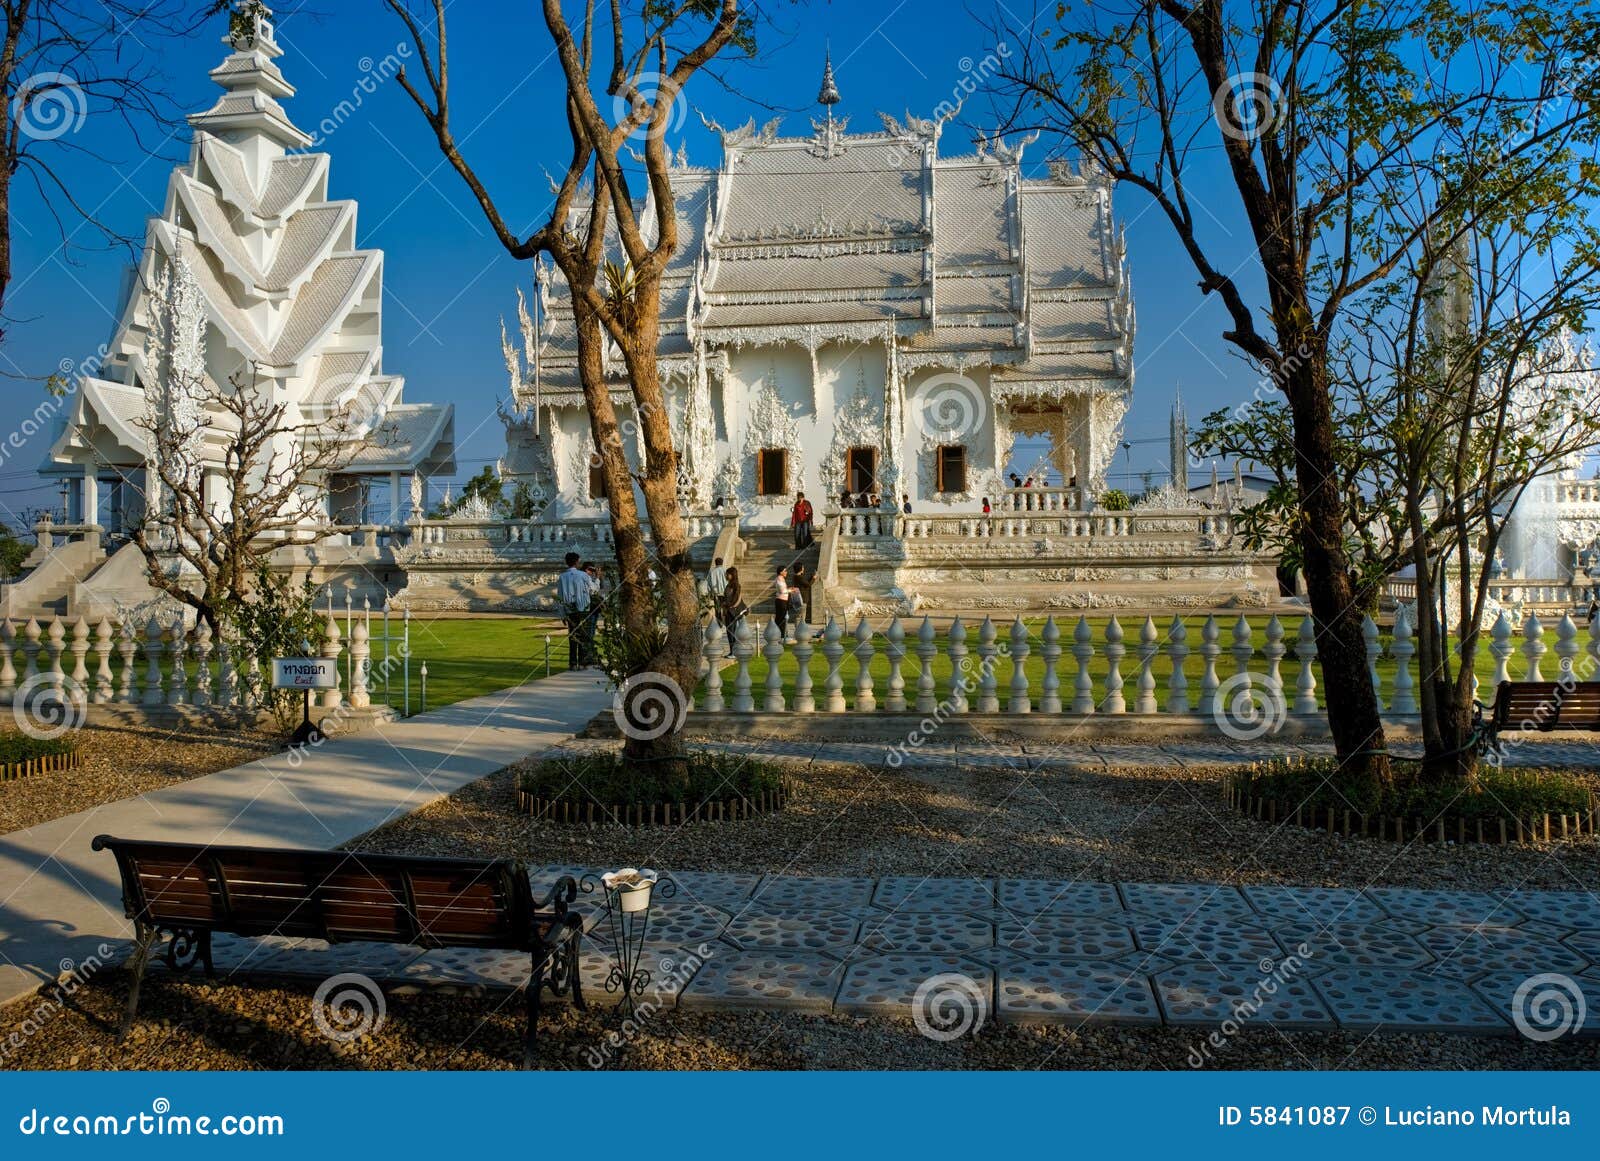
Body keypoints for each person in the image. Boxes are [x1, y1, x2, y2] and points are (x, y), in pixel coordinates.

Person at [556, 551, 594, 669]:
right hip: (582, 609)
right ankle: (583, 663)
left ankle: (572, 663)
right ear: (577, 562)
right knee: (583, 635)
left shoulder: (562, 577)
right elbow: (593, 590)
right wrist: (596, 579)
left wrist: (562, 615)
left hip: (569, 610)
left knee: (573, 636)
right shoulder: (583, 575)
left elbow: (560, 596)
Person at [720, 567, 747, 656]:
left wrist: (726, 604)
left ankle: (734, 651)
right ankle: (732, 651)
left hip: (733, 611)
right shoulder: (728, 585)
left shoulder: (736, 585)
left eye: (728, 574)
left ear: (732, 575)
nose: (726, 575)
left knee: (732, 631)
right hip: (728, 611)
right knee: (729, 631)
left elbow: (735, 599)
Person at [773, 565, 790, 641]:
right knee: (781, 619)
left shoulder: (782, 579)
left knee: (782, 618)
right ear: (781, 572)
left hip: (784, 600)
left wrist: (789, 589)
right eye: (785, 571)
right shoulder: (779, 579)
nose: (786, 572)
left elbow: (784, 589)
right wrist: (790, 591)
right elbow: (782, 591)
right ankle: (781, 636)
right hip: (780, 601)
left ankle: (781, 634)